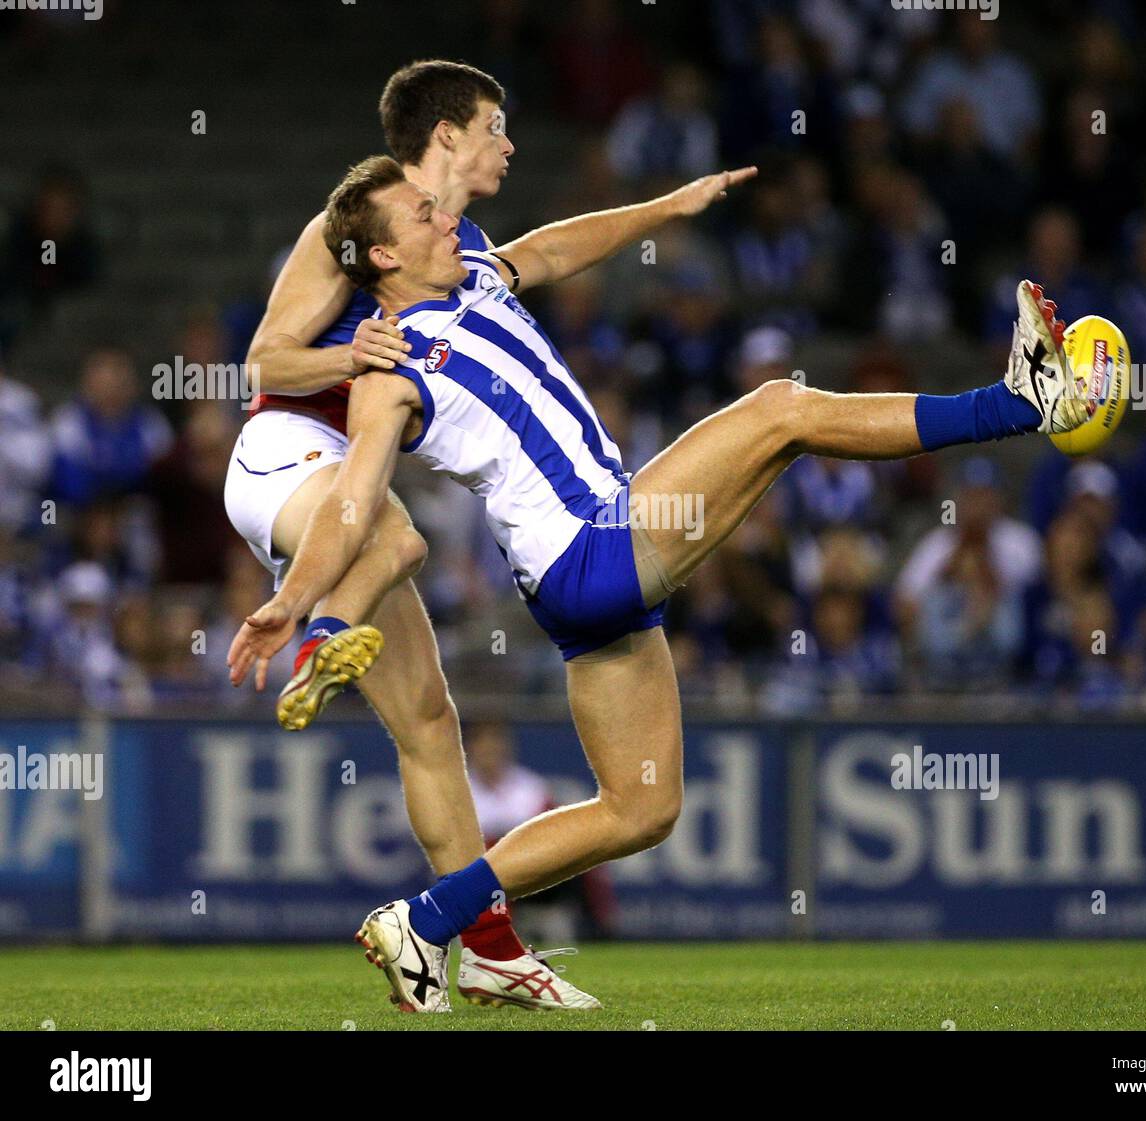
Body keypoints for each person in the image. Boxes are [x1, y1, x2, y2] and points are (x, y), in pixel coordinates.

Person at [227, 154, 1090, 1013]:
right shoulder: (387, 372)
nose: (445, 217)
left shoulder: (480, 273)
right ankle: (1018, 403)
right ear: (380, 257)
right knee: (777, 411)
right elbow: (351, 503)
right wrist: (295, 605)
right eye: (421, 216)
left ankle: (426, 918)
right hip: (585, 547)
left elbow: (564, 246)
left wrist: (668, 206)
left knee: (643, 807)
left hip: (588, 570)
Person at [223, 60, 755, 1012]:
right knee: (398, 536)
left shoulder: (450, 240)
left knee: (431, 725)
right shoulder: (362, 224)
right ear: (446, 138)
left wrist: (663, 210)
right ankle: (312, 635)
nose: (510, 143)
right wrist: (358, 351)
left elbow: (545, 254)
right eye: (495, 126)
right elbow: (264, 357)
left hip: (354, 471)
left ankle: (484, 947)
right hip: (290, 451)